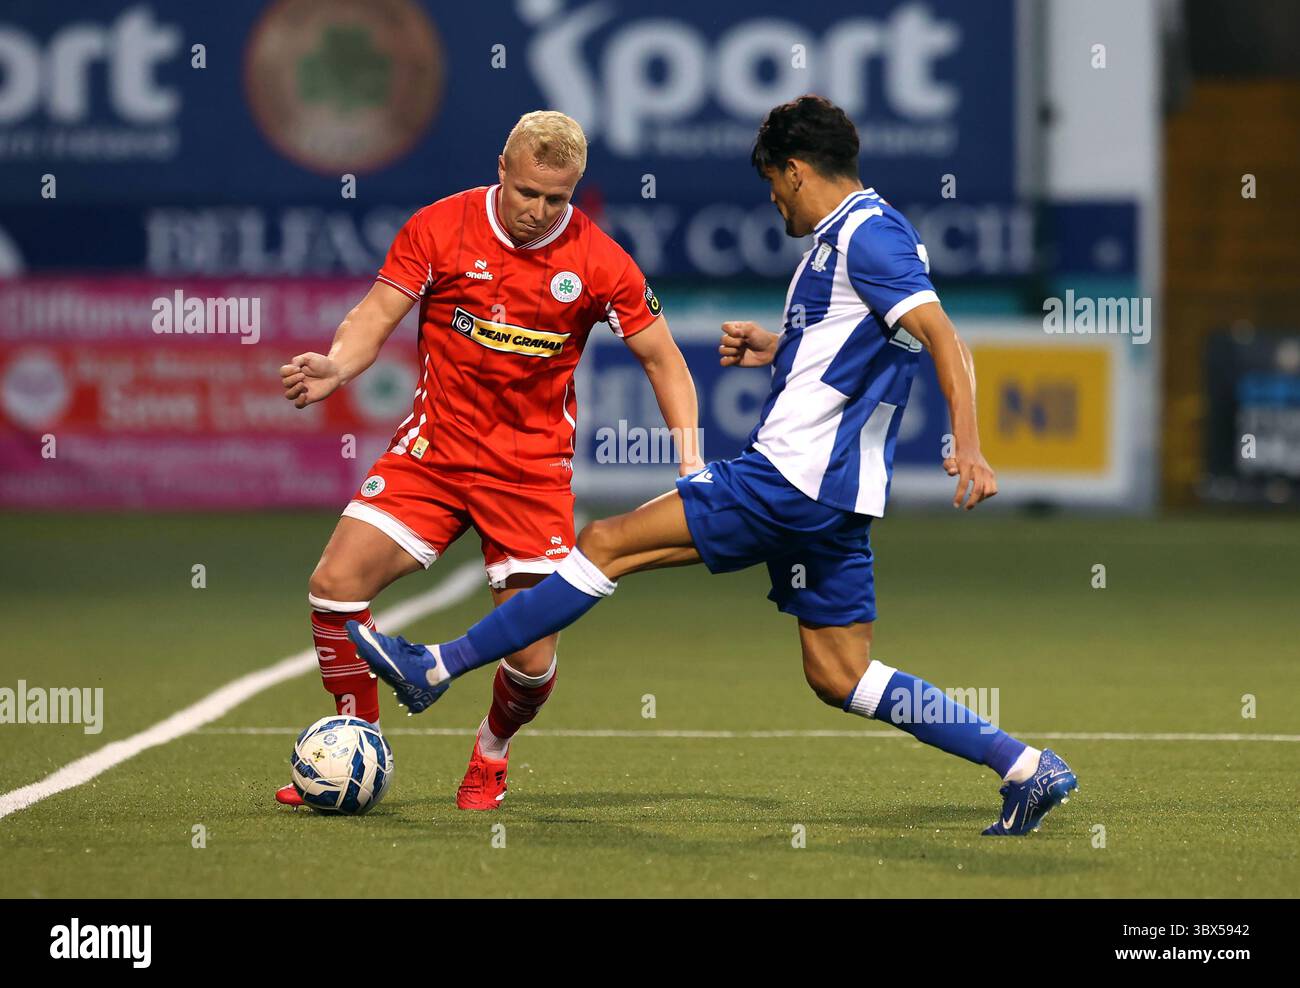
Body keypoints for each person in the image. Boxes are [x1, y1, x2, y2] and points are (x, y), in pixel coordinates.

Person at [350, 96, 1077, 836]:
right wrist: (774, 345)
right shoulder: (856, 237)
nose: (771, 197)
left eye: (771, 181)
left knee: (603, 544)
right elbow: (863, 341)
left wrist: (970, 444)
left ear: (795, 172)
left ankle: (435, 666)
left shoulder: (868, 238)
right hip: (840, 496)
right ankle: (1024, 766)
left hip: (790, 479)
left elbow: (941, 337)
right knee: (840, 674)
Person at [277, 110, 702, 810]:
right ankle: (356, 744)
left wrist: (689, 463)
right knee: (334, 584)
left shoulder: (599, 261)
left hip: (531, 473)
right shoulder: (440, 227)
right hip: (434, 453)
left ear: (575, 192)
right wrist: (339, 365)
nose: (538, 211)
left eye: (555, 199)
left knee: (531, 663)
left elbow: (665, 360)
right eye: (527, 191)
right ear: (501, 170)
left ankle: (492, 750)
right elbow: (378, 311)